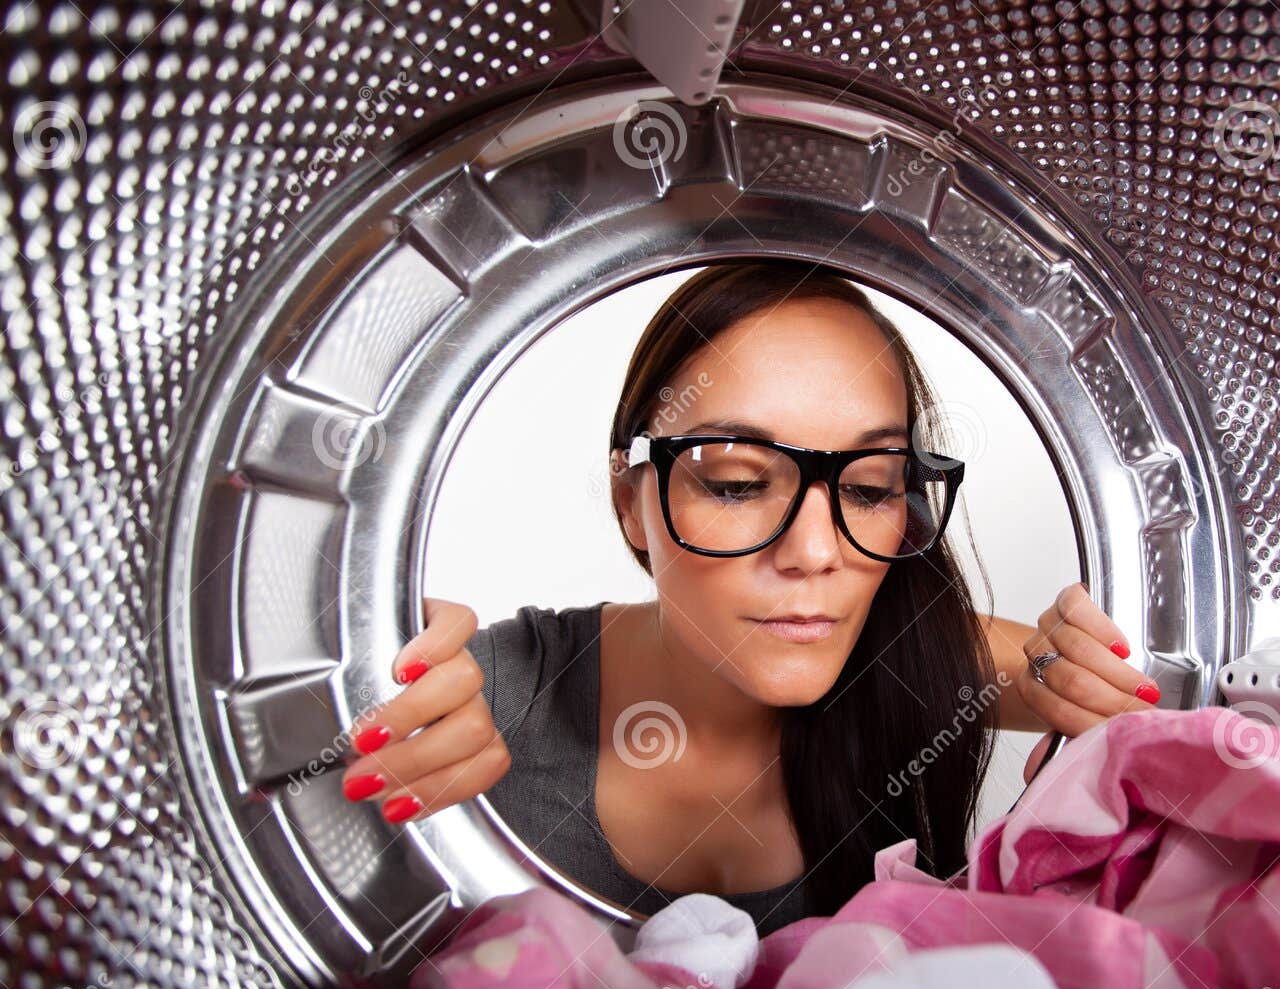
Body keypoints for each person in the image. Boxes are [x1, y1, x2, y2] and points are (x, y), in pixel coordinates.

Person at [337, 260, 1162, 928]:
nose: (815, 554)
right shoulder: (493, 698)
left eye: (870, 488)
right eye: (735, 485)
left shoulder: (911, 655)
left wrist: (1091, 675)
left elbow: (1082, 677)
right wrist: (357, 673)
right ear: (632, 502)